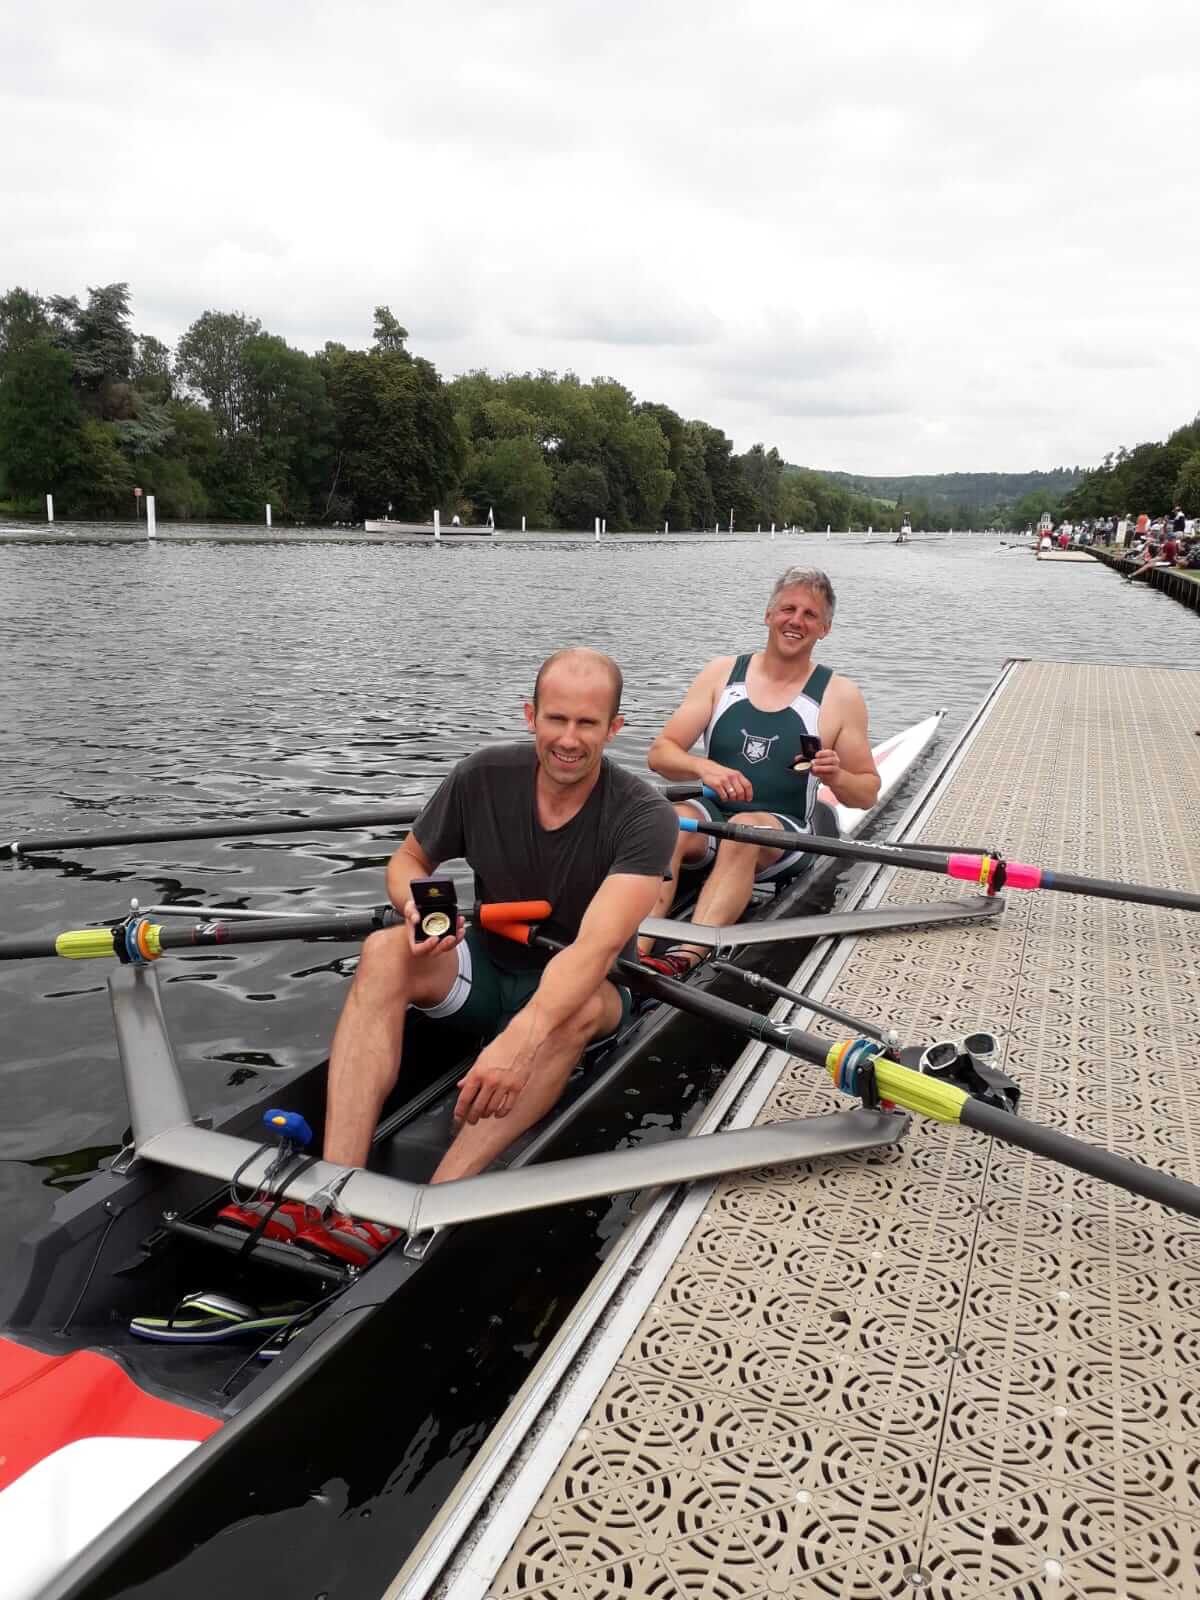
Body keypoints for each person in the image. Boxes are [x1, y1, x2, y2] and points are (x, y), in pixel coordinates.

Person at [220, 648, 678, 1263]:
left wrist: (518, 1043)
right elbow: (409, 861)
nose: (569, 739)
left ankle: (428, 1212)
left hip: (583, 990)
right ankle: (333, 1192)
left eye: (587, 724)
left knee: (577, 1004)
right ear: (531, 716)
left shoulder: (645, 816)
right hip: (490, 964)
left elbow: (595, 949)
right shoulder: (481, 775)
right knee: (385, 949)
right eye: (556, 719)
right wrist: (425, 907)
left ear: (614, 728)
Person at [638, 567, 880, 975]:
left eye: (810, 614)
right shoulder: (721, 674)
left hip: (785, 832)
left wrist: (837, 776)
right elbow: (660, 754)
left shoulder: (840, 696)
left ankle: (683, 959)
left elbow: (867, 793)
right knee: (669, 822)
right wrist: (703, 767)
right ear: (768, 615)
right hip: (713, 816)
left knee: (745, 830)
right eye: (788, 609)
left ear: (825, 629)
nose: (796, 621)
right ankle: (635, 948)